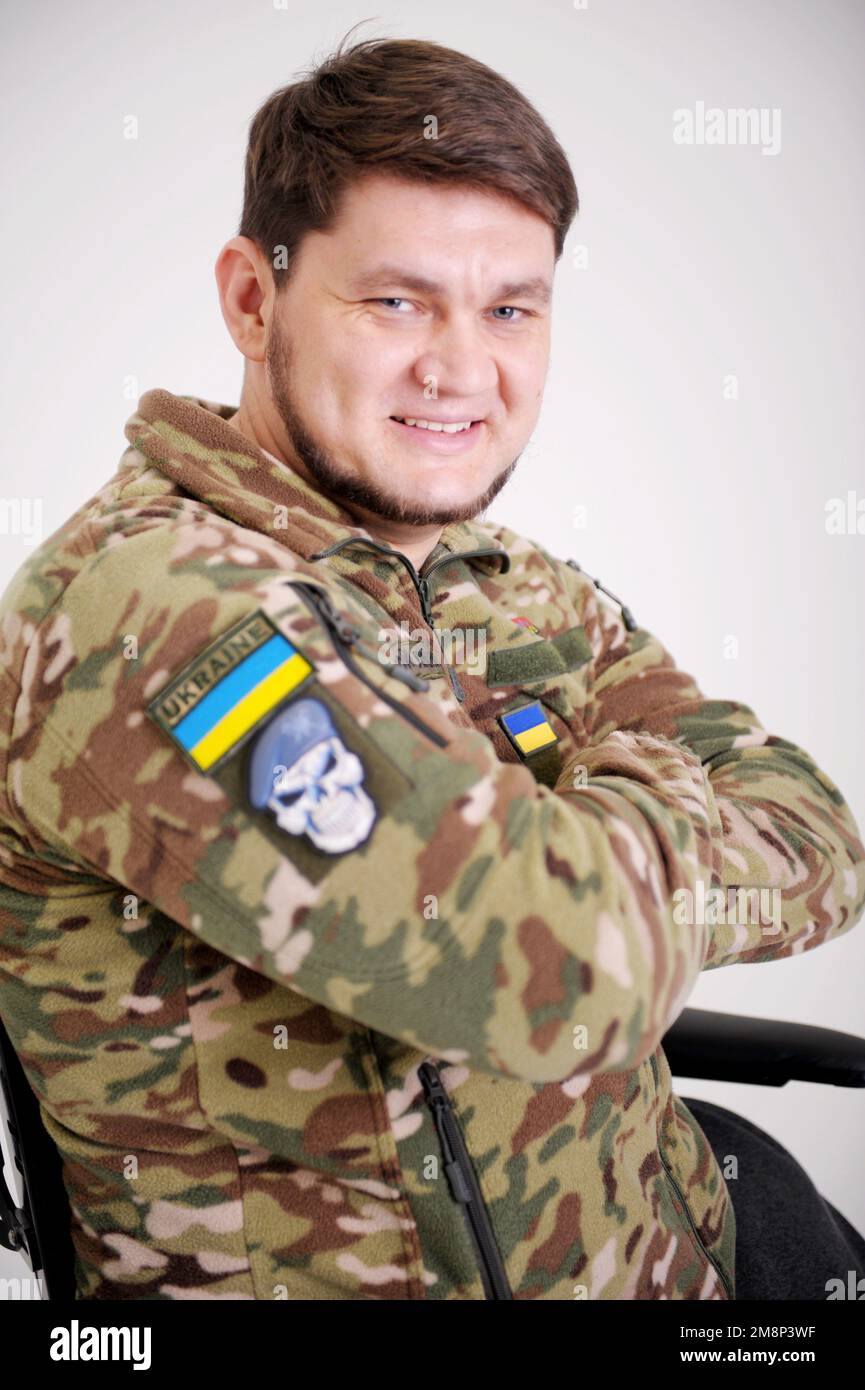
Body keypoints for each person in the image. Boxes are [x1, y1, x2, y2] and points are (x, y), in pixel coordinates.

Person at [0, 32, 863, 1303]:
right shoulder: (153, 610)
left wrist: (590, 858)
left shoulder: (498, 573)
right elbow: (552, 968)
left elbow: (823, 834)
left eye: (510, 307)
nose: (464, 370)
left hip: (680, 1249)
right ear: (253, 299)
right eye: (397, 300)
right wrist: (636, 801)